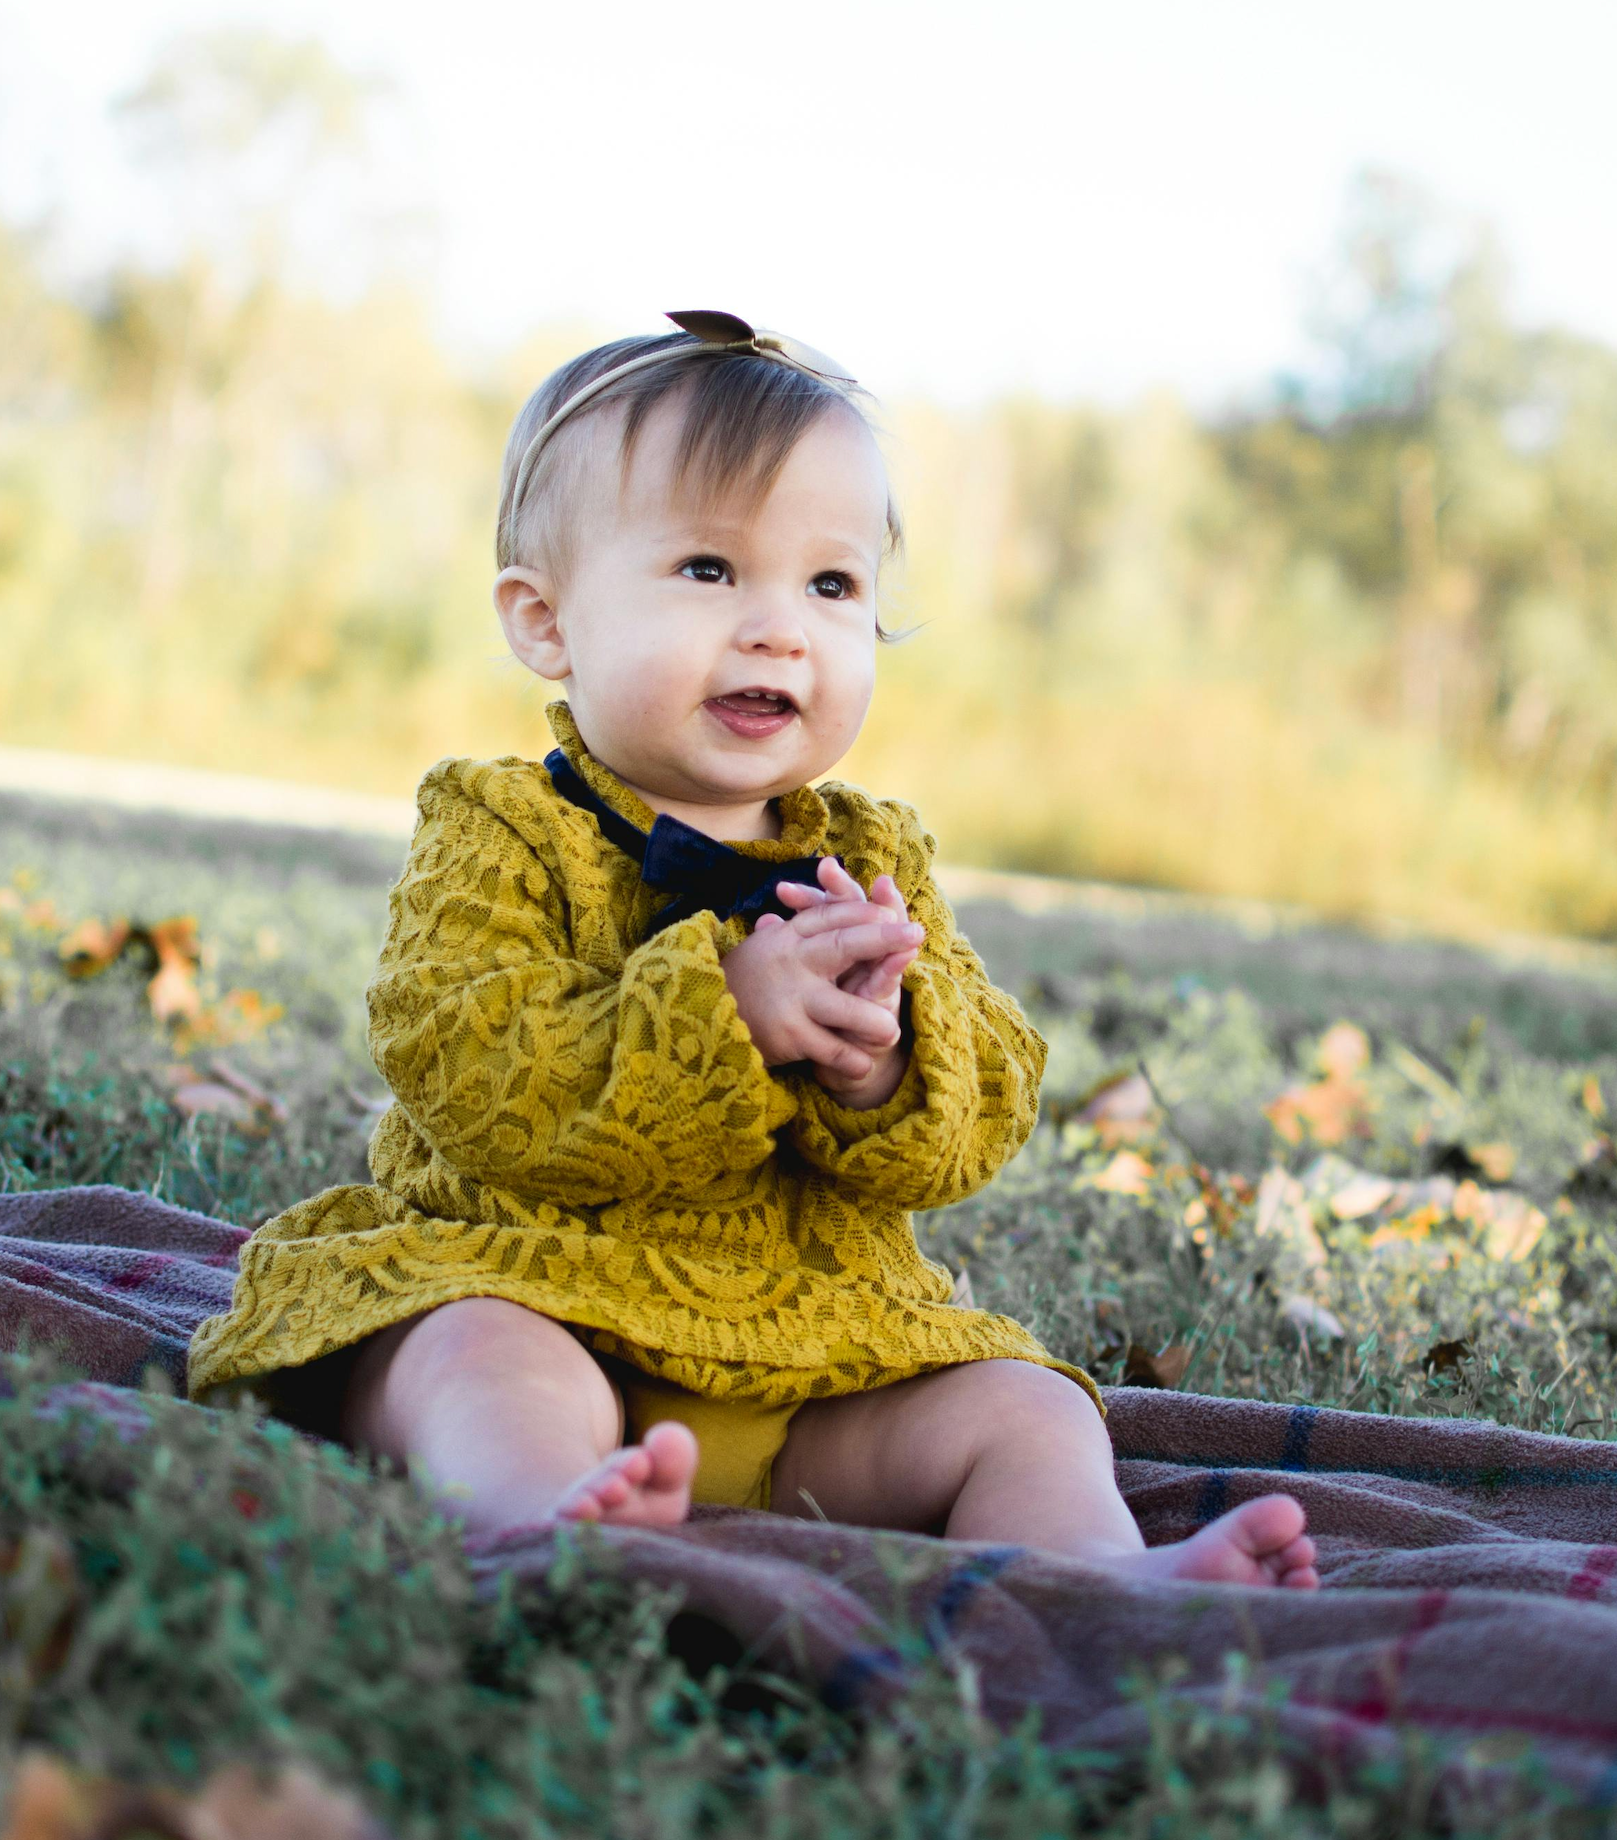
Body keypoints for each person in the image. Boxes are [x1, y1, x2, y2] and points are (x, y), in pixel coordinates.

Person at [190, 313, 1318, 1588]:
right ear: (546, 621)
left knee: (1029, 1407)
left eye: (830, 586)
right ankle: (540, 1521)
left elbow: (988, 1101)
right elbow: (468, 1053)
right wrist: (720, 1012)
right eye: (710, 571)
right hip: (536, 1284)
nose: (780, 628)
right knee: (466, 1358)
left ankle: (1100, 1580)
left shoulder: (871, 854)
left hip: (808, 1362)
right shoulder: (499, 826)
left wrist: (886, 1062)